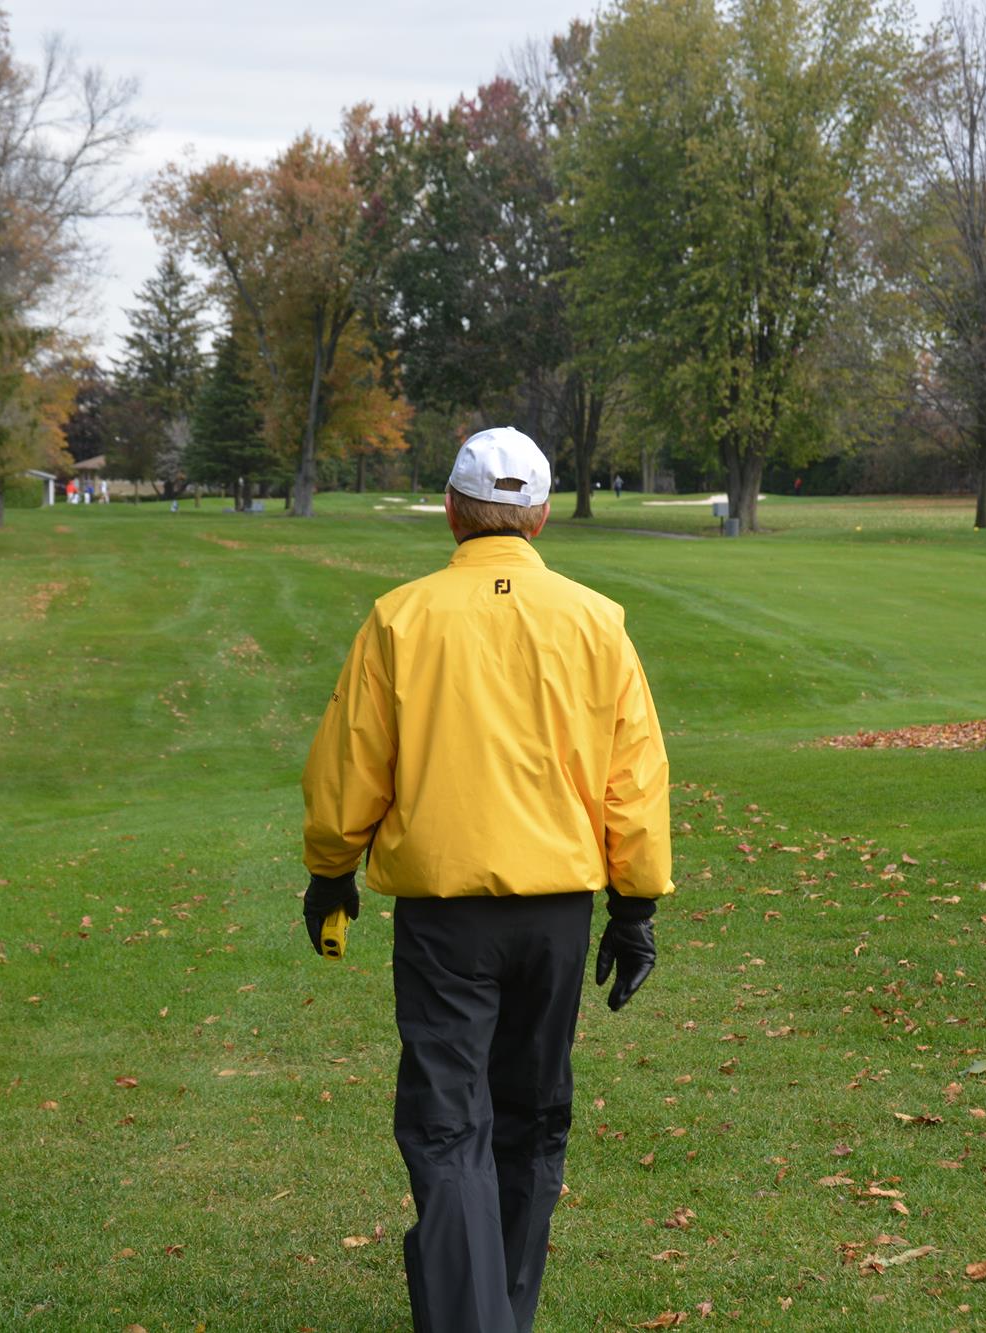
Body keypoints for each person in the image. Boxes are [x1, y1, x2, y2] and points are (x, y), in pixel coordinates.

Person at [300, 426, 674, 1333]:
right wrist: (634, 906)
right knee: (531, 1114)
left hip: (444, 918)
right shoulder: (596, 620)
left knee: (446, 1122)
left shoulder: (402, 616)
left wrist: (330, 872)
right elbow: (634, 778)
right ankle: (496, 1312)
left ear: (451, 511)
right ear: (541, 515)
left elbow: (352, 767)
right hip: (555, 916)